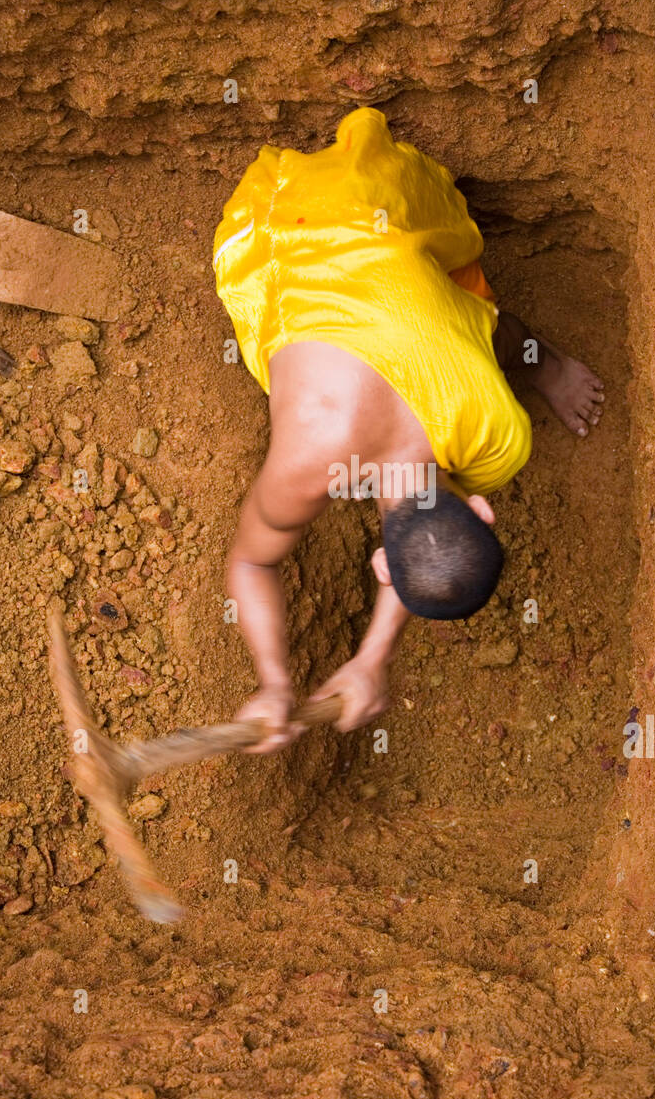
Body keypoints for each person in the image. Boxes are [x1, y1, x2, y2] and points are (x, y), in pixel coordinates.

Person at [213, 108, 604, 753]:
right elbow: (251, 561)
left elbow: (260, 558)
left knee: (475, 322)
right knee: (474, 325)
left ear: (482, 512)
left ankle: (547, 363)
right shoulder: (313, 462)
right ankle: (548, 364)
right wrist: (277, 681)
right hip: (279, 228)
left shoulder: (487, 423)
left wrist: (356, 664)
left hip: (361, 211)